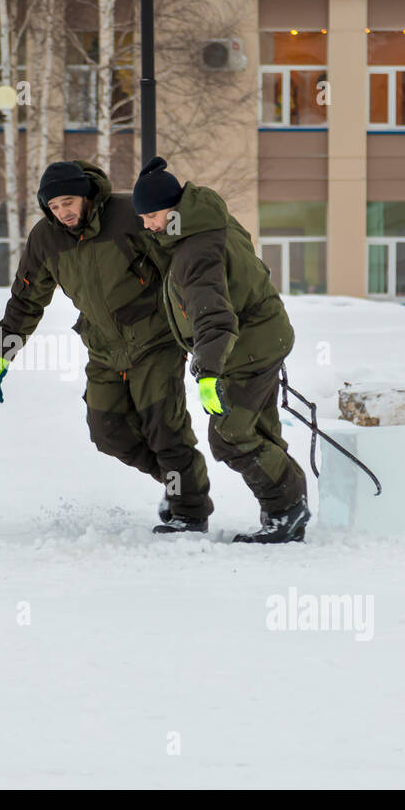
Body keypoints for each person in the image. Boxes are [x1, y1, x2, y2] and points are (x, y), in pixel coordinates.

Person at [0, 160, 213, 533]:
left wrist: (200, 323)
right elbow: (26, 299)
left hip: (153, 338)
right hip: (104, 347)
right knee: (107, 431)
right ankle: (182, 487)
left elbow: (180, 259)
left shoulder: (128, 213)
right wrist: (3, 354)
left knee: (164, 429)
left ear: (86, 195)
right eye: (54, 207)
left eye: (68, 202)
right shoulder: (46, 239)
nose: (63, 212)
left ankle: (190, 511)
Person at [131, 156, 309, 544]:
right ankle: (284, 511)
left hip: (247, 348)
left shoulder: (195, 250)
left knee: (229, 436)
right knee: (256, 429)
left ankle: (287, 509)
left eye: (151, 216)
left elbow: (215, 318)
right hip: (262, 337)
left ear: (173, 209)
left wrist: (208, 372)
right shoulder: (210, 220)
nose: (147, 225)